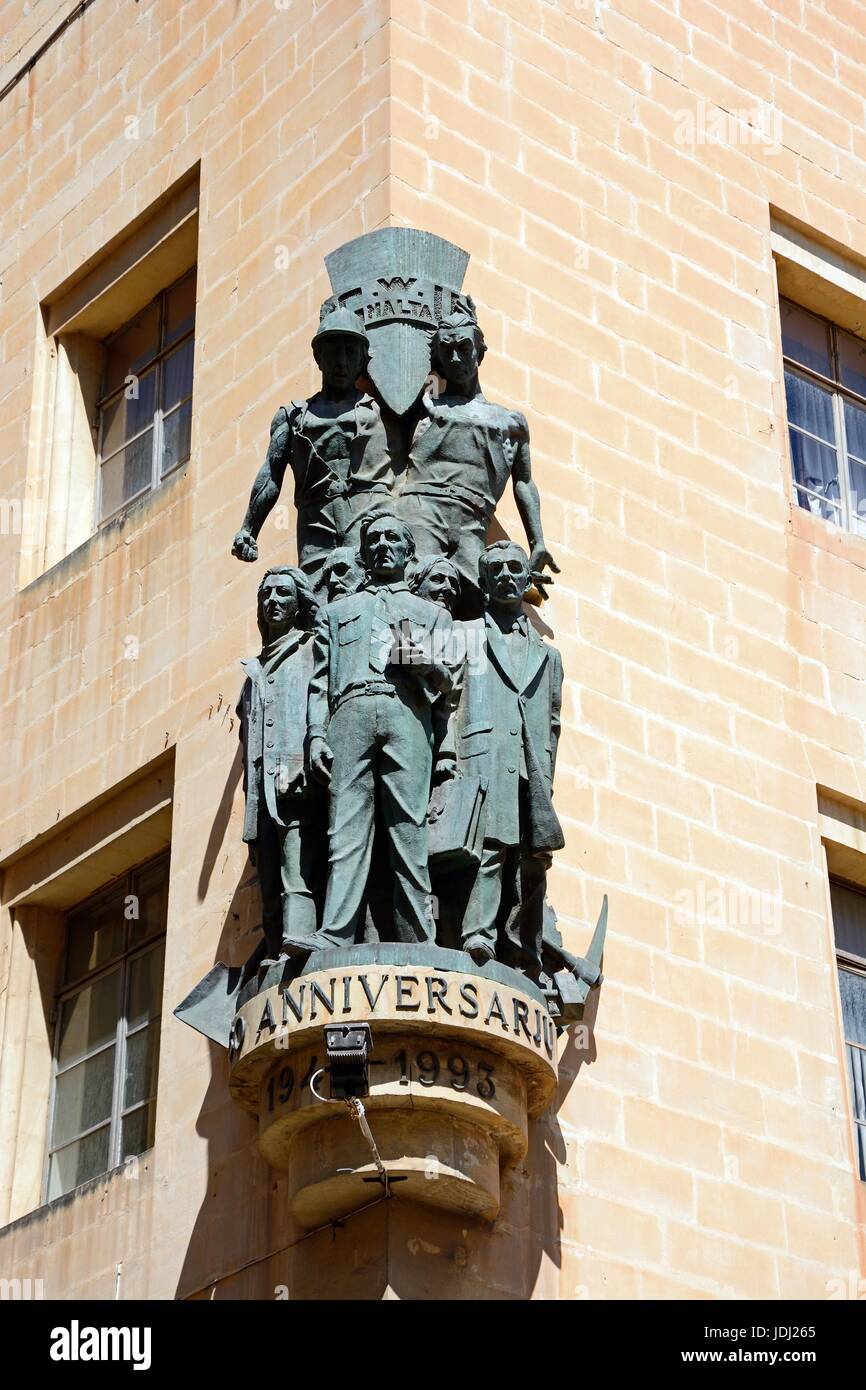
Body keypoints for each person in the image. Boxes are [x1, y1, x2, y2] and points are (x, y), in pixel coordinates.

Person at [305, 512, 457, 947]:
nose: (383, 545)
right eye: (373, 539)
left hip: (406, 713)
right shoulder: (337, 613)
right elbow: (319, 680)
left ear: (409, 552)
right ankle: (335, 933)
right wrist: (316, 733)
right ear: (364, 553)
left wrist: (420, 661)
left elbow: (452, 684)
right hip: (349, 712)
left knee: (408, 829)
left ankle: (419, 938)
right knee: (345, 829)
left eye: (393, 537)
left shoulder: (430, 613)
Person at [395, 301, 559, 610]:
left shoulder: (509, 422)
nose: (455, 358)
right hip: (422, 509)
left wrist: (537, 541)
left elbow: (523, 482)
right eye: (446, 351)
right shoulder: (426, 406)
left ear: (480, 351)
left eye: (463, 347)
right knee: (417, 589)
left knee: (475, 603)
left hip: (473, 519)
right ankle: (407, 656)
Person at [451, 541, 564, 976]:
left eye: (514, 567)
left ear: (526, 578)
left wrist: (547, 774)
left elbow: (552, 722)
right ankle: (477, 932)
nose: (504, 574)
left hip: (531, 765)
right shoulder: (463, 635)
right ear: (482, 581)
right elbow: (444, 700)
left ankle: (524, 948)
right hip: (481, 754)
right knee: (491, 847)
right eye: (493, 568)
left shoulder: (549, 657)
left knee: (533, 858)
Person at [232, 309, 393, 583]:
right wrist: (248, 529)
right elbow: (271, 475)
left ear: (362, 358)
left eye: (349, 351)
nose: (341, 361)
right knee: (317, 600)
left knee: (373, 593)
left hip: (370, 518)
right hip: (316, 523)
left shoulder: (385, 413)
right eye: (333, 352)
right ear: (319, 358)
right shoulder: (293, 416)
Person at [237, 566, 324, 958]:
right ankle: (275, 956)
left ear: (298, 603)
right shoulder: (251, 673)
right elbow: (248, 747)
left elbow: (323, 709)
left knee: (299, 873)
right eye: (267, 595)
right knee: (268, 888)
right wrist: (249, 814)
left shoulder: (311, 649)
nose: (273, 600)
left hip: (298, 783)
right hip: (261, 795)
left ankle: (300, 945)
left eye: (282, 594)